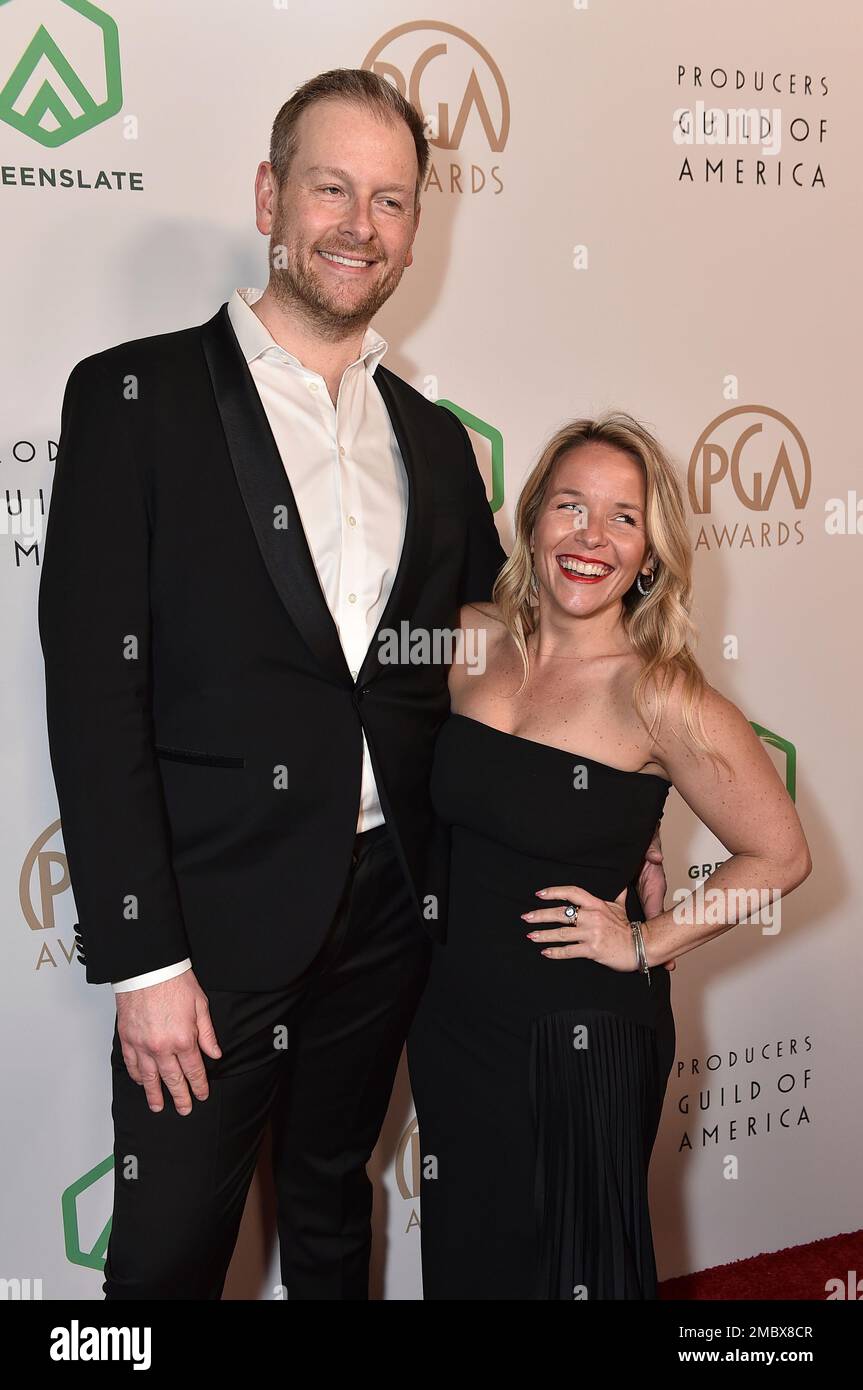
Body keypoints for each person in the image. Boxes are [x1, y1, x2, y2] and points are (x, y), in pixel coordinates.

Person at [37, 68, 515, 1301]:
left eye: (392, 200)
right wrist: (143, 965)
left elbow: (503, 650)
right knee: (162, 1262)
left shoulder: (432, 438)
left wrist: (612, 803)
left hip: (382, 908)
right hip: (205, 936)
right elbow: (94, 696)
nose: (360, 224)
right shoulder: (131, 397)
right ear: (269, 196)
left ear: (417, 229)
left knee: (330, 1207)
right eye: (332, 189)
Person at [406, 412, 812, 1300]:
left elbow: (777, 855)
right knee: (471, 1263)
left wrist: (643, 943)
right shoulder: (468, 642)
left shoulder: (662, 694)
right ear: (532, 524)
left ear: (651, 552)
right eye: (570, 507)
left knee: (575, 1267)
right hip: (453, 1018)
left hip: (577, 1033)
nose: (592, 538)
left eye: (623, 518)